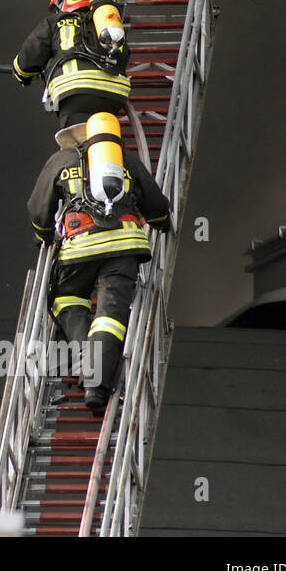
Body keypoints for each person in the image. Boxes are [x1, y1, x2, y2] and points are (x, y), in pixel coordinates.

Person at [27, 113, 171, 409]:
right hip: (123, 246)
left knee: (66, 299)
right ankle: (97, 385)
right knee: (110, 315)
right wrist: (161, 221)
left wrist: (43, 235)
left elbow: (38, 209)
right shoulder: (124, 160)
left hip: (78, 248)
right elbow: (156, 206)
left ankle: (86, 362)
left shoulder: (60, 160)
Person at [12, 0, 131, 128]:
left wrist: (22, 75)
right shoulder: (108, 24)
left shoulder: (55, 22)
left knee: (77, 143)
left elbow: (26, 62)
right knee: (106, 138)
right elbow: (124, 55)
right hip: (114, 95)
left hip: (75, 94)